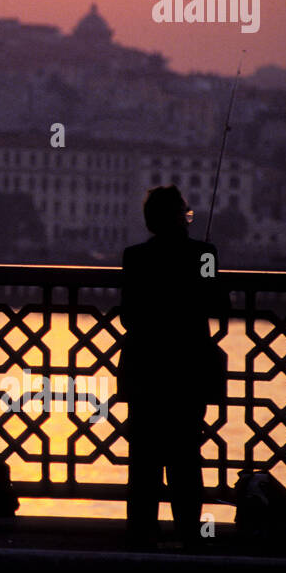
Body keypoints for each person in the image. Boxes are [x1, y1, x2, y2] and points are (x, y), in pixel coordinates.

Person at [118, 184, 228, 547]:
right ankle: (188, 533)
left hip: (146, 369)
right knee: (185, 455)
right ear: (181, 218)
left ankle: (141, 532)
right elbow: (219, 305)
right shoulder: (205, 254)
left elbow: (129, 317)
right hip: (189, 369)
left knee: (144, 458)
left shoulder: (133, 257)